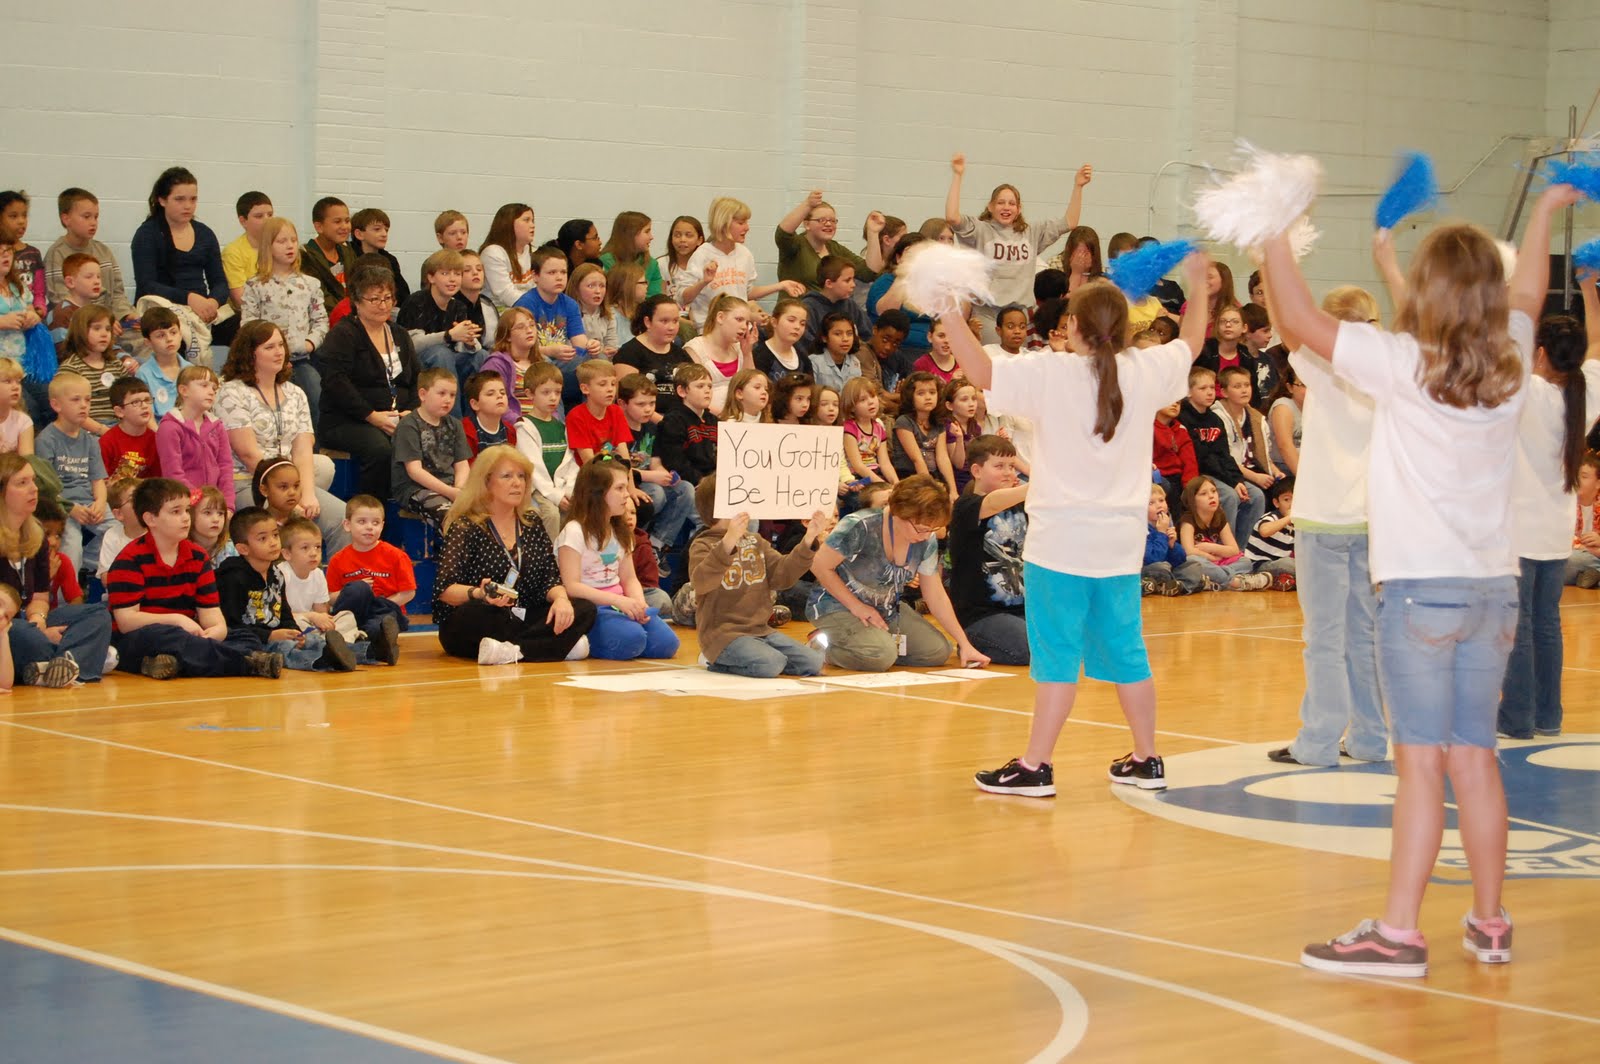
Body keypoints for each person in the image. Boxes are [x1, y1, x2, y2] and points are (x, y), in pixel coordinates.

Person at [1268, 182, 1580, 977]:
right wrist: (1543, 213)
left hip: (1420, 594)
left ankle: (1399, 932)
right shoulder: (1510, 357)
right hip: (1493, 592)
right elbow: (1533, 293)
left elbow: (1301, 321)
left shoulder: (1406, 362)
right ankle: (1490, 919)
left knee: (1419, 766)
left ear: (1430, 292)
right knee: (1474, 757)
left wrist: (1269, 230)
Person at [948, 252, 1209, 797]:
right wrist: (1200, 281)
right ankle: (1146, 756)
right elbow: (1195, 341)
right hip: (1119, 545)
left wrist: (948, 310)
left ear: (1070, 326)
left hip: (1060, 545)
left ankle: (1036, 765)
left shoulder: (1051, 372)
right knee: (1128, 652)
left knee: (1057, 656)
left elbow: (979, 371)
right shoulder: (1145, 369)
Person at [1498, 300, 1600, 738]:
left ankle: (1517, 719)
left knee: (1519, 628)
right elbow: (1597, 341)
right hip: (1558, 532)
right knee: (1546, 624)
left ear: (1540, 353)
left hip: (1519, 531)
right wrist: (1587, 289)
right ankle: (1548, 716)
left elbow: (1508, 340)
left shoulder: (1530, 392)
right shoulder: (1587, 392)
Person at [106, 477, 282, 680]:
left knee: (245, 636)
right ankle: (245, 662)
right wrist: (177, 620)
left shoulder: (198, 556)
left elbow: (212, 615)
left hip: (189, 635)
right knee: (169, 637)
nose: (185, 518)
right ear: (150, 519)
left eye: (187, 510)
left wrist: (215, 632)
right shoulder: (129, 560)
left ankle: (172, 663)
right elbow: (127, 621)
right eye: (176, 512)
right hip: (143, 636)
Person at [433, 445, 595, 664]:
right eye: (507, 476)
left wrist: (562, 599)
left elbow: (551, 577)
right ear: (486, 482)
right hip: (483, 617)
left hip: (524, 615)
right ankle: (552, 647)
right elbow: (445, 590)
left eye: (521, 476)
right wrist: (480, 594)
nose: (517, 483)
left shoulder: (532, 523)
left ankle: (512, 652)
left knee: (584, 608)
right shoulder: (466, 526)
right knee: (478, 614)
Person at [807, 474, 984, 673]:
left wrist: (964, 643)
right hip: (837, 606)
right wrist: (857, 607)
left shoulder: (926, 538)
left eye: (932, 529)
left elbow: (935, 594)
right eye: (921, 529)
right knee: (881, 656)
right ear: (899, 514)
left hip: (885, 610)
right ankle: (821, 645)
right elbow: (819, 566)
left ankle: (870, 644)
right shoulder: (860, 525)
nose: (926, 536)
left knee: (936, 651)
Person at [217, 320, 349, 552]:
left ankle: (337, 586)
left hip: (289, 482)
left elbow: (302, 448)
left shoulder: (295, 392)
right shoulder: (231, 392)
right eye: (269, 347)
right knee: (283, 525)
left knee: (343, 520)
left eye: (281, 345)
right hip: (249, 482)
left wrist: (306, 494)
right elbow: (248, 455)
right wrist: (293, 501)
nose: (279, 352)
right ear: (249, 354)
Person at [689, 474, 830, 677]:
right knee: (770, 664)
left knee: (813, 662)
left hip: (760, 631)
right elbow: (701, 582)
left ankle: (756, 656)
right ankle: (713, 659)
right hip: (722, 636)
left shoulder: (755, 541)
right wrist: (728, 541)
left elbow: (783, 575)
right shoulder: (702, 544)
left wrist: (808, 541)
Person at [944, 153, 1091, 338]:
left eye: (1012, 203)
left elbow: (1070, 222)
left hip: (1020, 315)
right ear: (990, 206)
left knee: (1016, 364)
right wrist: (957, 175)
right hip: (989, 313)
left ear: (1019, 209)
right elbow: (951, 217)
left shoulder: (1031, 232)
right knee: (993, 364)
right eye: (1001, 203)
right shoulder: (980, 230)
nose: (1006, 207)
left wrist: (1078, 186)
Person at [0, 454, 111, 686]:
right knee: (23, 635)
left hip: (29, 620)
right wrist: (36, 631)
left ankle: (52, 668)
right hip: (6, 623)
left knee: (97, 615)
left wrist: (39, 619)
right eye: (22, 483)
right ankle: (69, 660)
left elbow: (40, 595)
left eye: (33, 481)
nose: (33, 489)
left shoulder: (37, 534)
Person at [556, 459, 679, 661]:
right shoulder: (574, 531)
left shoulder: (620, 531)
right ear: (598, 494)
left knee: (666, 645)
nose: (627, 494)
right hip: (592, 607)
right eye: (620, 488)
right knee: (632, 640)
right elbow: (572, 586)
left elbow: (629, 578)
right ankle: (582, 637)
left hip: (620, 603)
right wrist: (618, 601)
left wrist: (638, 604)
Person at [317, 266, 421, 499]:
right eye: (374, 299)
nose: (383, 305)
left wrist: (410, 412)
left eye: (387, 298)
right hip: (347, 421)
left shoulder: (399, 333)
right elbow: (337, 384)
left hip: (397, 416)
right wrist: (373, 416)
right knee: (380, 448)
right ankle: (373, 512)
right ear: (356, 301)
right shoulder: (344, 334)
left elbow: (416, 379)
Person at [215, 507, 359, 672]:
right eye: (263, 538)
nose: (273, 542)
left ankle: (369, 651)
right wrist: (269, 636)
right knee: (282, 648)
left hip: (278, 635)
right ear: (243, 549)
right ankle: (324, 660)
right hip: (254, 640)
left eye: (275, 535)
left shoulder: (276, 574)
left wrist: (295, 632)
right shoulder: (232, 577)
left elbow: (285, 614)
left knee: (313, 640)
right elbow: (231, 625)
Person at [129, 167, 236, 346]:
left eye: (193, 199)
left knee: (249, 332)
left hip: (202, 309)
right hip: (163, 311)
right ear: (162, 200)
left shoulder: (205, 233)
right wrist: (189, 298)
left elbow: (219, 282)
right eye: (179, 199)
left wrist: (213, 302)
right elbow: (147, 284)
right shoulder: (147, 234)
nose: (188, 206)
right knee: (175, 336)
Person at [946, 434, 1029, 664]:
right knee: (1031, 650)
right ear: (977, 471)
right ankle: (972, 641)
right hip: (982, 614)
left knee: (1068, 641)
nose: (1008, 472)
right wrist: (1041, 484)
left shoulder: (1022, 505)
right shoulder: (967, 506)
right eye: (999, 466)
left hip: (1022, 607)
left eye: (1012, 466)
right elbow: (992, 503)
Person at [241, 217, 329, 419]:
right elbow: (248, 326)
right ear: (267, 246)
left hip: (301, 359)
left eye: (293, 240)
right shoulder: (256, 285)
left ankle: (310, 447)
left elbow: (320, 321)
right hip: (266, 364)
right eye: (281, 241)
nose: (290, 246)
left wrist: (309, 343)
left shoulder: (310, 284)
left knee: (315, 399)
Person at [36, 372, 115, 575]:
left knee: (118, 532)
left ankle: (91, 568)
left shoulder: (90, 441)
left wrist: (99, 503)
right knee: (72, 543)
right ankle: (66, 599)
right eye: (75, 400)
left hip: (89, 503)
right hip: (61, 506)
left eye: (87, 400)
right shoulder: (46, 440)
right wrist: (71, 508)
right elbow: (45, 489)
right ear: (56, 405)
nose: (83, 405)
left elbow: (98, 480)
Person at [685, 197, 805, 328]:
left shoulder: (745, 254)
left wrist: (781, 286)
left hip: (741, 329)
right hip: (711, 329)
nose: (747, 228)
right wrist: (704, 282)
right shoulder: (702, 254)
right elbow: (683, 298)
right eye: (741, 223)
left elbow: (747, 292)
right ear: (724, 224)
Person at [44, 188, 138, 331]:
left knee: (149, 335)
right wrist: (102, 320)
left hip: (111, 321)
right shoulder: (56, 255)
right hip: (79, 324)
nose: (93, 222)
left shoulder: (104, 252)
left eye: (96, 217)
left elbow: (117, 294)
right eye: (86, 216)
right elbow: (61, 300)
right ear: (66, 219)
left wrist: (126, 314)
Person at [392, 367, 471, 529]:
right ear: (423, 395)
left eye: (452, 395)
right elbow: (414, 471)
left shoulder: (455, 424)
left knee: (488, 510)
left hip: (451, 487)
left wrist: (460, 489)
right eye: (441, 393)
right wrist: (451, 493)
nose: (448, 400)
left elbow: (462, 464)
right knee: (452, 517)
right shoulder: (409, 425)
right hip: (415, 489)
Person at [326, 495, 416, 630]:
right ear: (347, 525)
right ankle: (351, 634)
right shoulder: (337, 560)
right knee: (358, 588)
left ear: (382, 525)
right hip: (352, 614)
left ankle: (371, 637)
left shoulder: (397, 556)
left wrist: (378, 606)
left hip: (386, 612)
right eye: (362, 522)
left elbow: (408, 593)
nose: (369, 527)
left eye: (375, 523)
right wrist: (352, 591)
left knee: (378, 625)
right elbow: (330, 597)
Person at [155, 366, 234, 508]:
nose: (211, 392)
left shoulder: (217, 426)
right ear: (183, 390)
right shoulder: (170, 427)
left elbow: (225, 467)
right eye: (204, 385)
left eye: (214, 389)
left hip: (214, 505)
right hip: (185, 504)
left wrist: (227, 504)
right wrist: (200, 501)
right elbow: (173, 473)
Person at [774, 190, 882, 293]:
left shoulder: (835, 249)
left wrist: (873, 232)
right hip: (797, 309)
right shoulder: (794, 245)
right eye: (822, 220)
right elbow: (782, 234)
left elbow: (869, 273)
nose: (829, 224)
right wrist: (808, 204)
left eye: (832, 221)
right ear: (807, 224)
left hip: (830, 311)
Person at [301, 197, 356, 315]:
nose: (345, 227)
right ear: (319, 227)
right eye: (337, 222)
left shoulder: (348, 250)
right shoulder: (306, 256)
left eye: (347, 221)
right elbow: (321, 296)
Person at [479, 203, 537, 308]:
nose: (532, 225)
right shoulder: (493, 253)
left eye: (532, 220)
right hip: (500, 313)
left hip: (528, 312)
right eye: (526, 220)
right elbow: (505, 293)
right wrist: (538, 306)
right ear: (509, 224)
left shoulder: (533, 251)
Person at [221, 191, 274, 306]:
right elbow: (240, 299)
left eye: (270, 215)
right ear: (243, 221)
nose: (267, 220)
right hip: (248, 316)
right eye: (259, 216)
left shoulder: (279, 246)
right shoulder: (233, 251)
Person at [1245, 476, 1297, 589]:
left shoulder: (1297, 525)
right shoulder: (1272, 517)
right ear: (1276, 503)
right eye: (1287, 500)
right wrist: (1288, 519)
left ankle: (1281, 581)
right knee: (1289, 564)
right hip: (1258, 565)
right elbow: (1265, 531)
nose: (1292, 504)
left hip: (1277, 565)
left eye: (1296, 500)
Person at [598, 211, 664, 297]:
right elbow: (610, 296)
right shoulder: (605, 262)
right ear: (631, 234)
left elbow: (655, 298)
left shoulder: (652, 264)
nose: (651, 237)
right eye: (647, 231)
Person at [1142, 483, 1191, 596]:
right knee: (1161, 567)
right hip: (1148, 569)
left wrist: (1173, 545)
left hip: (1167, 569)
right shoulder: (1142, 529)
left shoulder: (1167, 525)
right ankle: (1182, 585)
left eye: (1161, 500)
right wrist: (1161, 534)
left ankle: (1169, 586)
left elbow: (1180, 560)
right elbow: (1153, 559)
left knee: (1193, 565)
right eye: (1151, 503)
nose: (1159, 506)